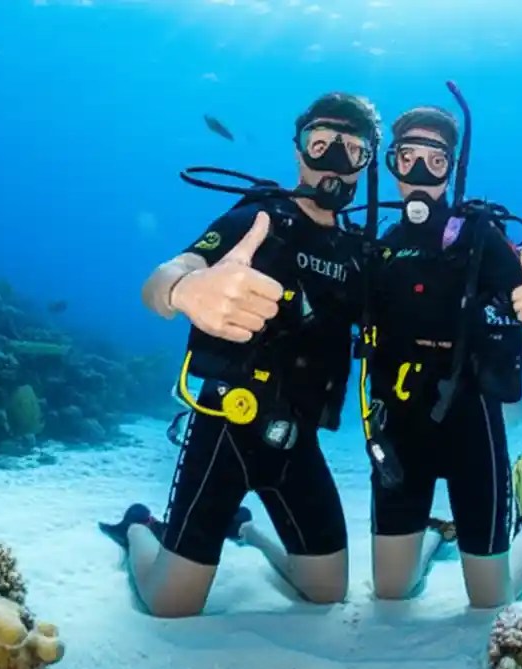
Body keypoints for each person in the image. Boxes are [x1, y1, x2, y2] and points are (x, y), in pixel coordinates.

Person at [98, 92, 382, 617]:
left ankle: (245, 529)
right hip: (226, 426)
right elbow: (163, 277)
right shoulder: (257, 220)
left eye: (352, 149)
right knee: (171, 605)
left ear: (367, 163)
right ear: (298, 151)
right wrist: (183, 290)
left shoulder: (359, 254)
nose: (335, 162)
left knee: (327, 593)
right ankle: (139, 525)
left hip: (297, 440)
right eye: (321, 144)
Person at [359, 100, 522, 609]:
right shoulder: (380, 247)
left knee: (491, 600)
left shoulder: (480, 240)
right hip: (399, 428)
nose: (419, 172)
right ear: (391, 165)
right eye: (408, 157)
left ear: (451, 169)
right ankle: (436, 537)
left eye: (435, 160)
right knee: (391, 591)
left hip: (470, 424)